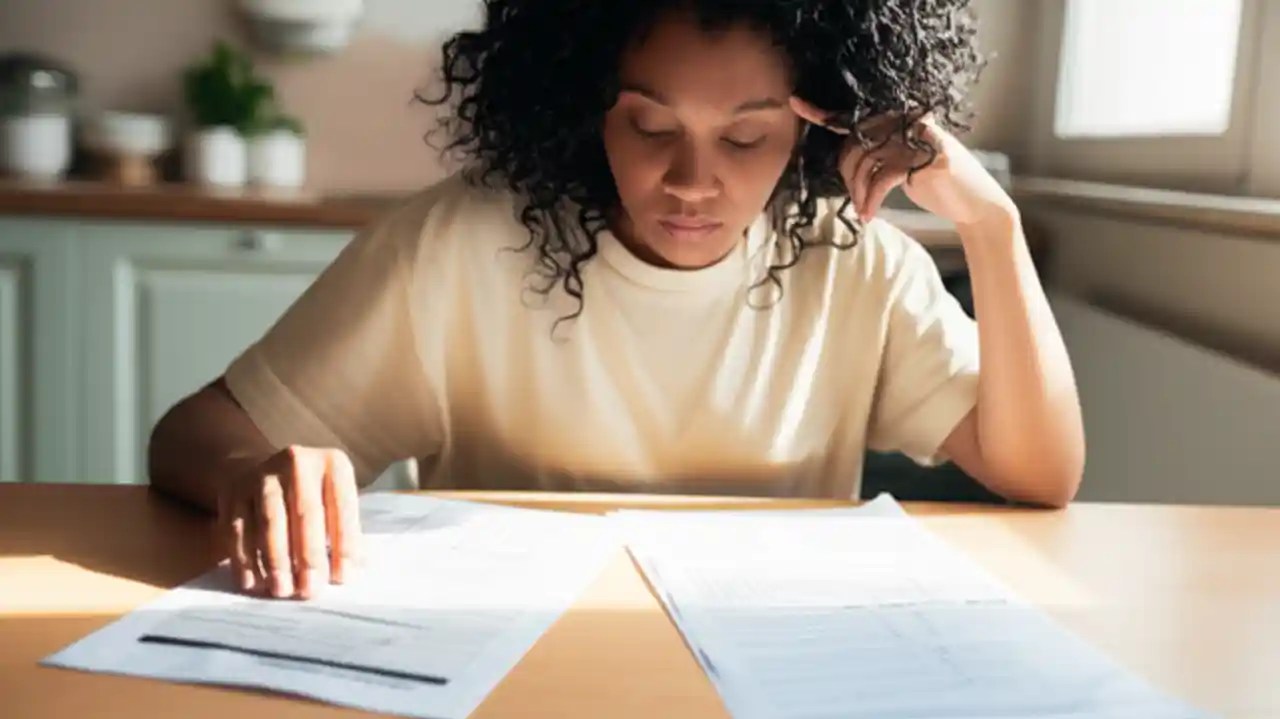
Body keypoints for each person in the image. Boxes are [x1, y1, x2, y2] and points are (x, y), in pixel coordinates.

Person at [148, 0, 1085, 600]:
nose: (692, 181)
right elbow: (192, 433)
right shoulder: (460, 243)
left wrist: (991, 226)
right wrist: (249, 473)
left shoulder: (853, 261)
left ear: (815, 130)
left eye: (746, 138)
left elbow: (1041, 472)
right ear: (583, 103)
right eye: (649, 125)